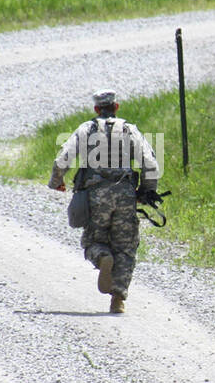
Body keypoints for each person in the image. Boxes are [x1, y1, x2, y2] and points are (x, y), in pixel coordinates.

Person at [49, 89, 161, 313]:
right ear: (116, 107)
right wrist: (146, 191)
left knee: (92, 240)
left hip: (95, 196)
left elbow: (63, 158)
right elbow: (151, 164)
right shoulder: (130, 130)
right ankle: (118, 298)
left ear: (96, 109)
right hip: (125, 195)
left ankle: (102, 257)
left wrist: (56, 181)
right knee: (126, 246)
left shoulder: (86, 129)